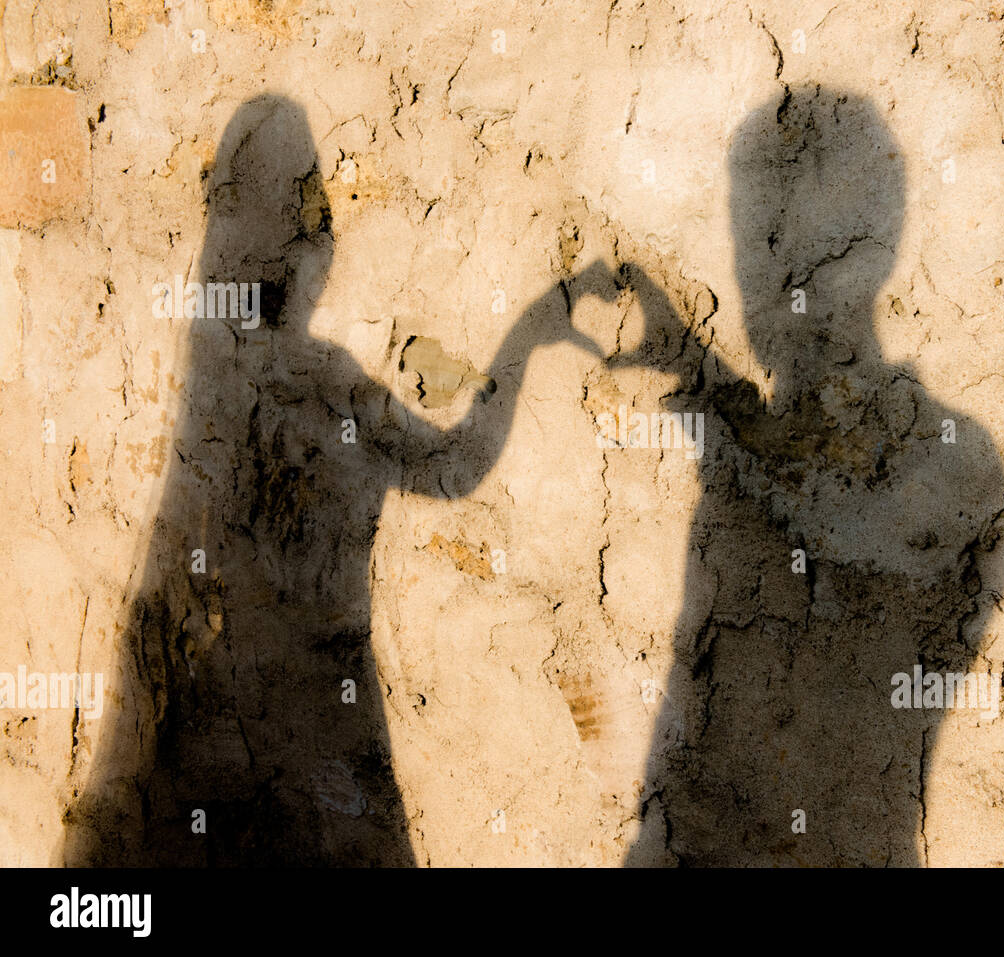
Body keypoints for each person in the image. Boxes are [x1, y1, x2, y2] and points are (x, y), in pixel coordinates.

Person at [62, 94, 609, 865]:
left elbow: (162, 596)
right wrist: (529, 335)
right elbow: (455, 467)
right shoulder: (304, 382)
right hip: (317, 730)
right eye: (306, 205)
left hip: (260, 729)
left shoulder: (228, 381)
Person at [612, 86, 1004, 866]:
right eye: (747, 244)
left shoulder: (946, 451)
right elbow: (797, 468)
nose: (754, 281)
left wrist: (705, 406)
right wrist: (694, 372)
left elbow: (834, 522)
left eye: (764, 247)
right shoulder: (916, 443)